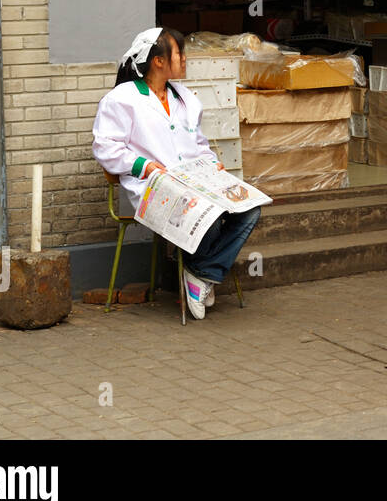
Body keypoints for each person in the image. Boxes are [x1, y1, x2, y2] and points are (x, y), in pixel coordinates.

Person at [92, 27, 261, 318]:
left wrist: (212, 164)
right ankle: (203, 275)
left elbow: (198, 144)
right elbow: (105, 147)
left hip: (195, 181)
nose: (185, 59)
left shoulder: (185, 98)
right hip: (153, 186)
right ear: (158, 61)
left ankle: (201, 273)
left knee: (248, 209)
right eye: (179, 53)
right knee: (205, 212)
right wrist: (143, 165)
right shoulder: (122, 99)